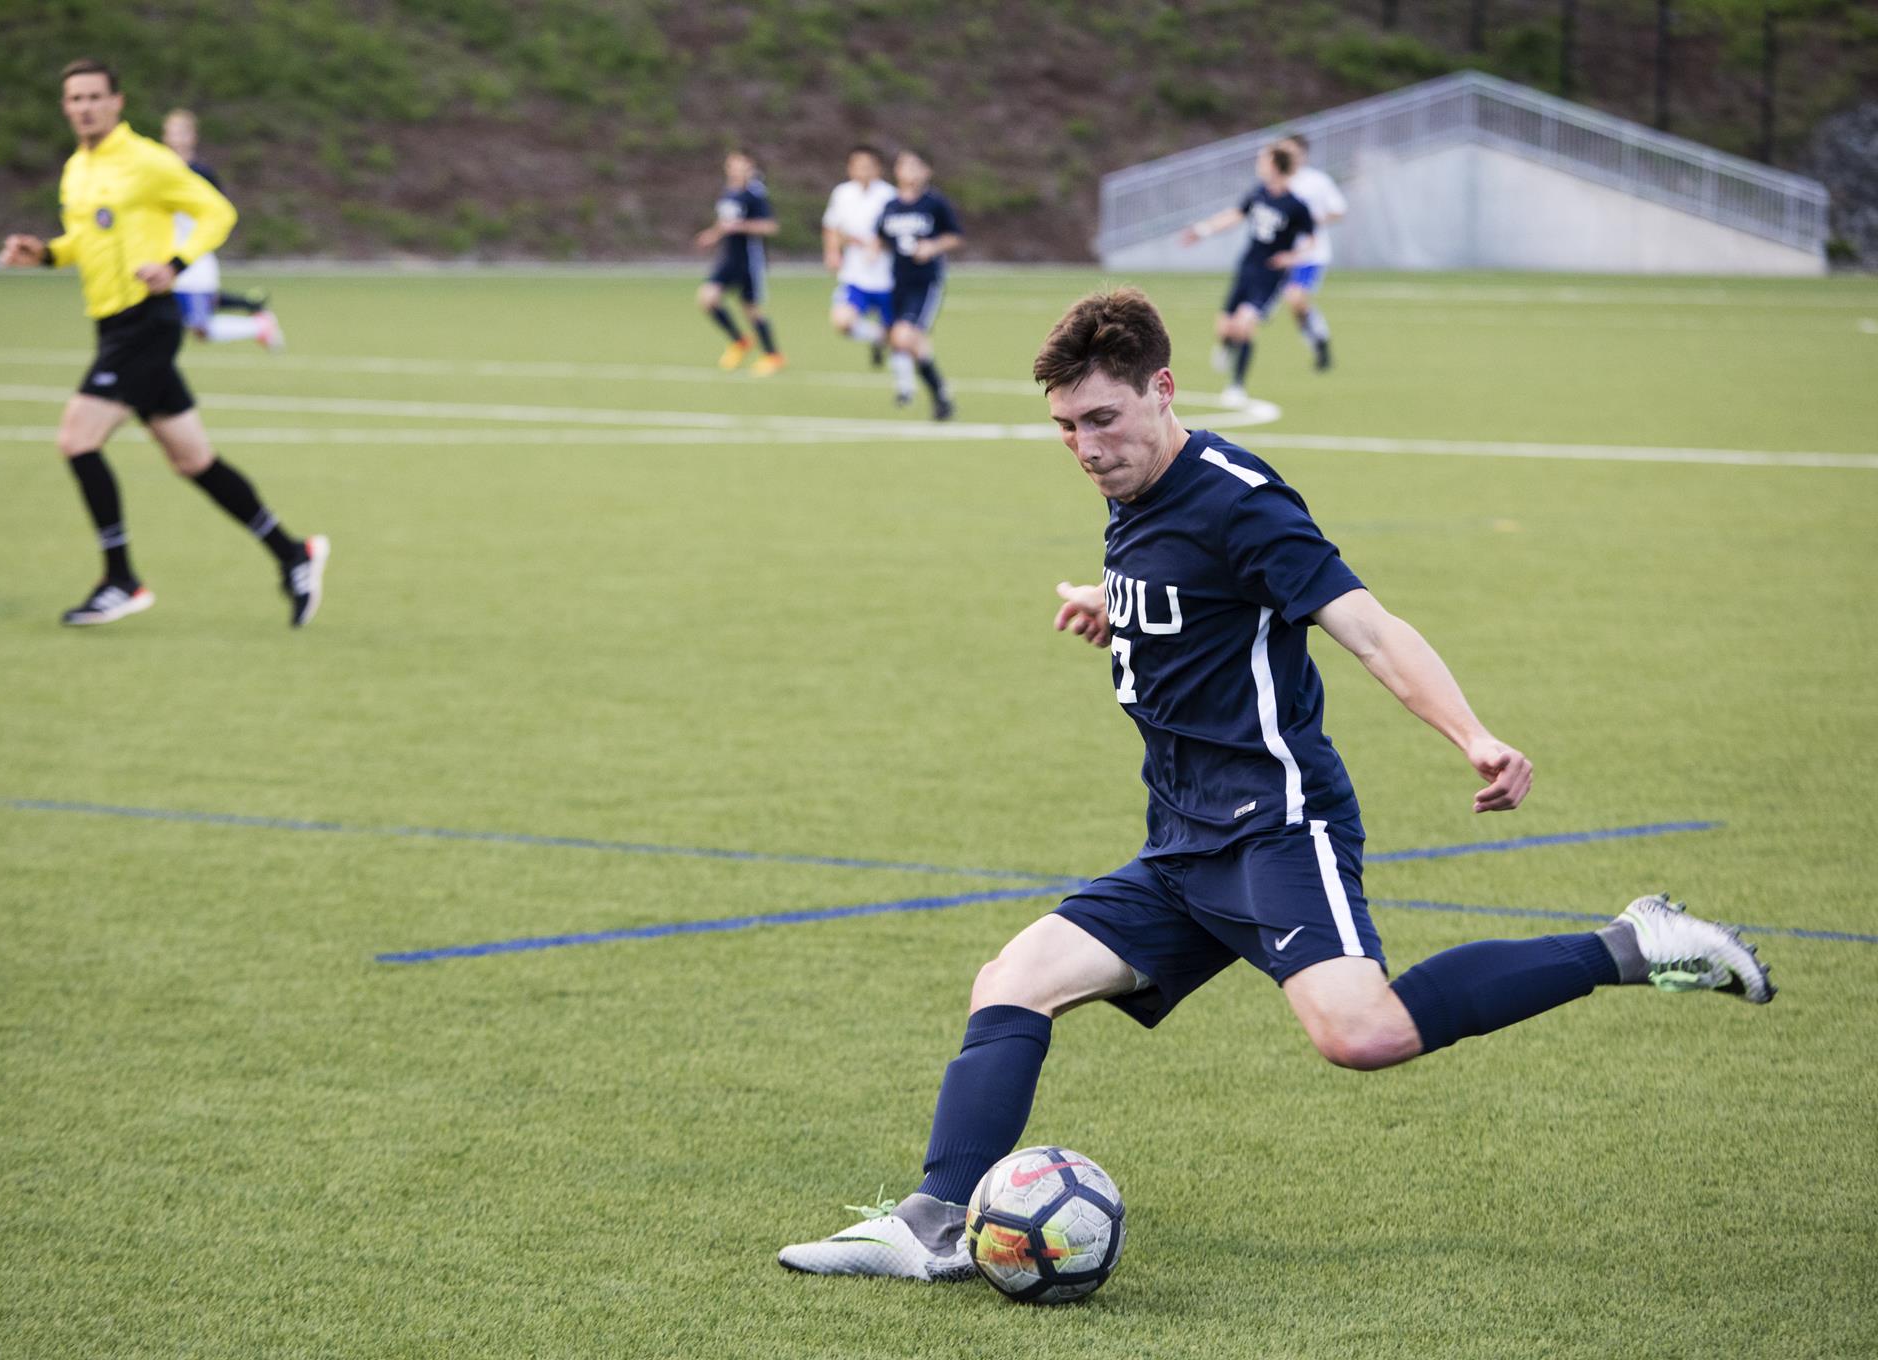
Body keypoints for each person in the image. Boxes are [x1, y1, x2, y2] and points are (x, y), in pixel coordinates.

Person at [777, 288, 1773, 1282]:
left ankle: (1633, 942)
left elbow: (1368, 627)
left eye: (1102, 420)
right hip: (1180, 841)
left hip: (1273, 829)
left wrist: (1469, 732)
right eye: (1065, 427)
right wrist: (1112, 605)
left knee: (1362, 1033)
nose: (1084, 446)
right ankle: (932, 1221)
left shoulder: (1239, 501)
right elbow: (1194, 605)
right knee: (1011, 983)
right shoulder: (1132, 494)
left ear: (1161, 390)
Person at [0, 58, 328, 628]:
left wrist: (175, 263)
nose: (84, 108)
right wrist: (48, 253)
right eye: (74, 99)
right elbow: (86, 239)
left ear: (117, 102)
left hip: (146, 322)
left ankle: (120, 579)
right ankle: (293, 554)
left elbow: (217, 213)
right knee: (193, 460)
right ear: (65, 107)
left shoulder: (147, 161)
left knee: (78, 440)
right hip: (111, 324)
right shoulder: (77, 169)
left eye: (95, 97)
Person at [1178, 144, 1315, 407]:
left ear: (1275, 165)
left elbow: (1311, 241)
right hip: (1247, 267)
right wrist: (1202, 230)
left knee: (1244, 324)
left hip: (1270, 275)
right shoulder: (1259, 194)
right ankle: (1226, 345)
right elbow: (1234, 215)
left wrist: (1291, 257)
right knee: (1225, 327)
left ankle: (1236, 386)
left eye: (1263, 160)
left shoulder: (1297, 206)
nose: (1259, 164)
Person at [160, 108, 283, 350]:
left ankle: (259, 326)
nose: (177, 139)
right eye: (172, 132)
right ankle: (252, 307)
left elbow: (220, 214)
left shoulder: (202, 174)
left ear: (193, 136)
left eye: (182, 132)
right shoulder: (157, 172)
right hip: (164, 255)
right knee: (167, 319)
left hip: (193, 258)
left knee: (200, 327)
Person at [876, 151, 963, 420]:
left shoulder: (934, 203)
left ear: (927, 172)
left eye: (917, 166)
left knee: (903, 337)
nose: (910, 171)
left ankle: (931, 392)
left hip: (924, 283)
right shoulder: (890, 205)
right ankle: (941, 395)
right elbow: (880, 238)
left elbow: (955, 237)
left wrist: (933, 246)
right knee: (915, 344)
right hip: (896, 283)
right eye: (905, 166)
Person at [693, 149, 783, 376]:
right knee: (707, 299)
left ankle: (773, 355)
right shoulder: (728, 192)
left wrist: (741, 226)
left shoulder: (755, 194)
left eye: (742, 165)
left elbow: (770, 226)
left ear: (750, 167)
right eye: (733, 164)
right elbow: (725, 223)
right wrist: (712, 235)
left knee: (751, 310)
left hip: (749, 260)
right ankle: (740, 341)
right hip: (728, 258)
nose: (737, 169)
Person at [821, 144, 896, 370]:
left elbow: (898, 234)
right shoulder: (842, 193)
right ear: (850, 168)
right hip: (855, 274)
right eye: (858, 166)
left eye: (868, 166)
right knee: (842, 322)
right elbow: (832, 226)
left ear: (878, 169)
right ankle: (878, 337)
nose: (863, 171)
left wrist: (878, 244)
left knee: (901, 339)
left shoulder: (889, 195)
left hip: (887, 276)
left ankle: (905, 391)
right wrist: (832, 252)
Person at [1276, 134, 1346, 372]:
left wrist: (1311, 220)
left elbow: (1338, 210)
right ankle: (1317, 339)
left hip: (1311, 253)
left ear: (1302, 155)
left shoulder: (1317, 181)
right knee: (1294, 305)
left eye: (1291, 152)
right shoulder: (1276, 182)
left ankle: (1320, 340)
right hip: (1283, 254)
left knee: (1296, 299)